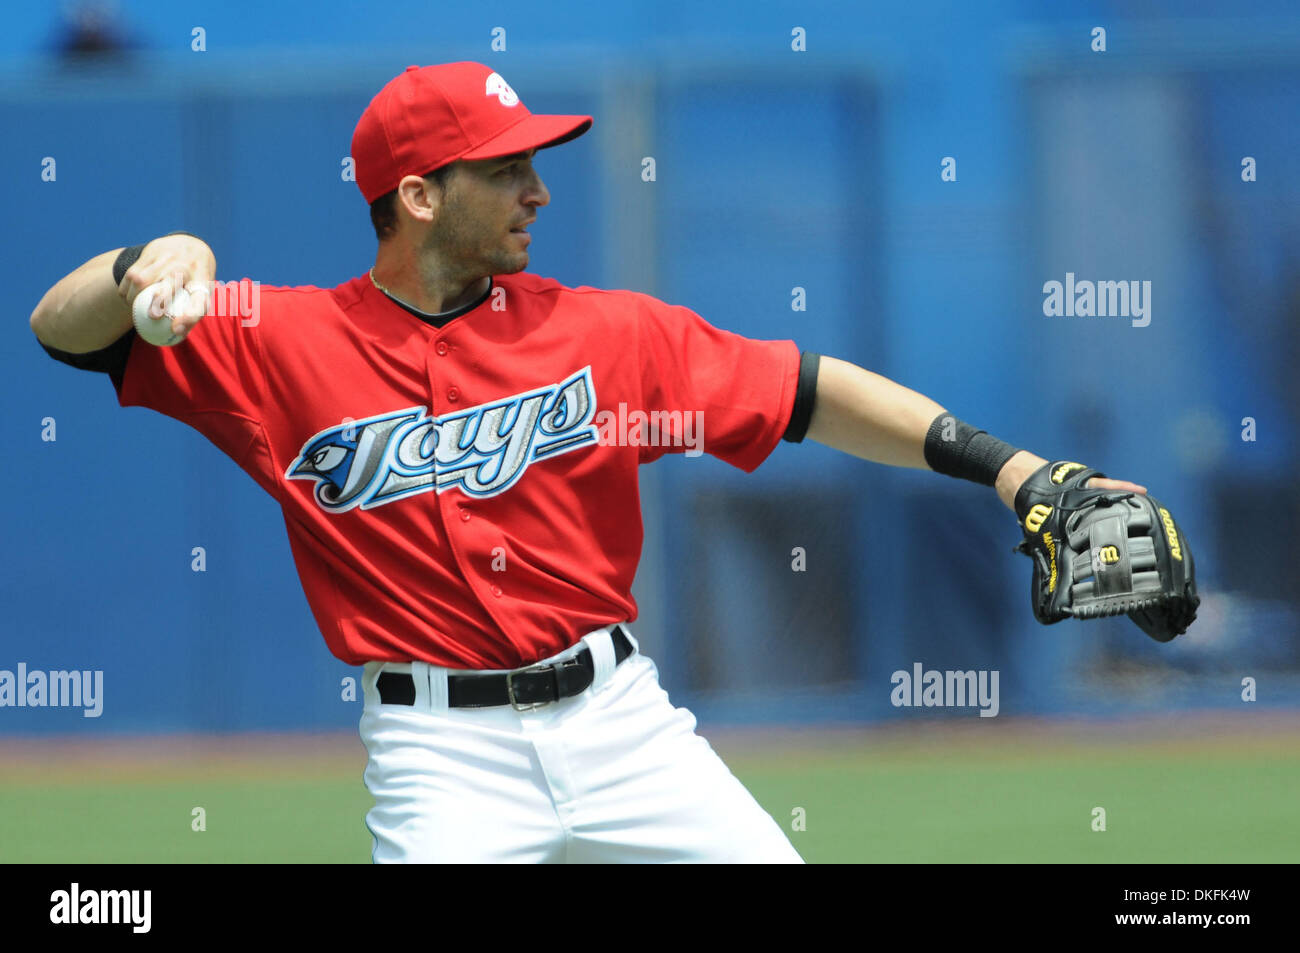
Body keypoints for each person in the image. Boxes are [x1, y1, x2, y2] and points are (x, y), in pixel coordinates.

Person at [29, 61, 1148, 863]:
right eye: (507, 168)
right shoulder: (277, 339)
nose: (540, 191)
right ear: (418, 195)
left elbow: (809, 390)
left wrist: (1019, 471)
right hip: (436, 751)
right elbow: (58, 327)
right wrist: (140, 262)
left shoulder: (601, 332)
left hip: (621, 722)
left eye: (537, 165)